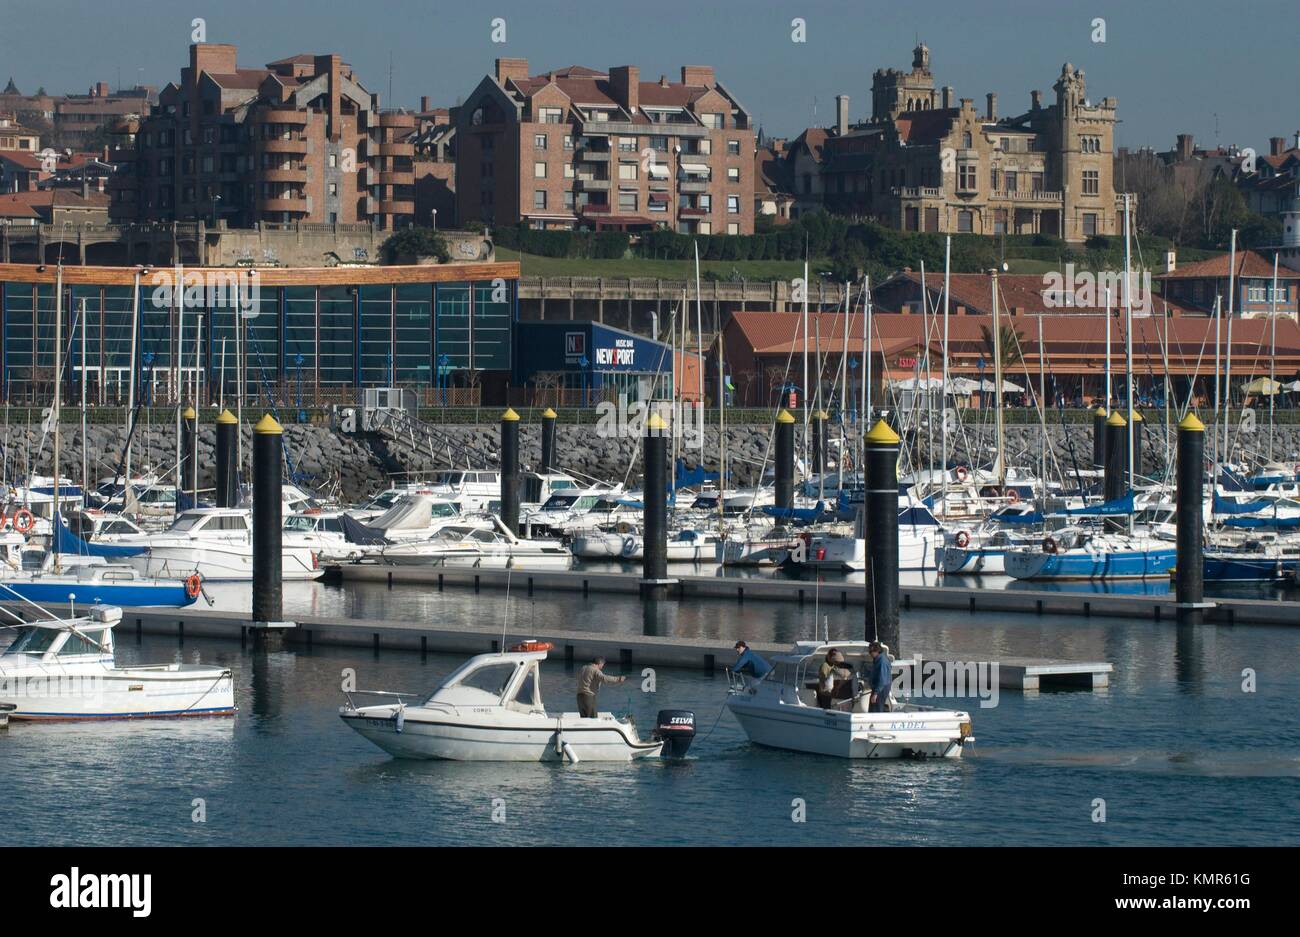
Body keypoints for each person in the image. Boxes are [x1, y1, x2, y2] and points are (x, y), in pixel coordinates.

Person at [868, 641, 892, 713]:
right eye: (870, 651)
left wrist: (875, 693)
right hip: (879, 687)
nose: (870, 653)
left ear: (877, 651)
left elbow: (882, 679)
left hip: (881, 688)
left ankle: (875, 723)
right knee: (874, 707)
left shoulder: (882, 661)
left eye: (872, 651)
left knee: (876, 709)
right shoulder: (878, 659)